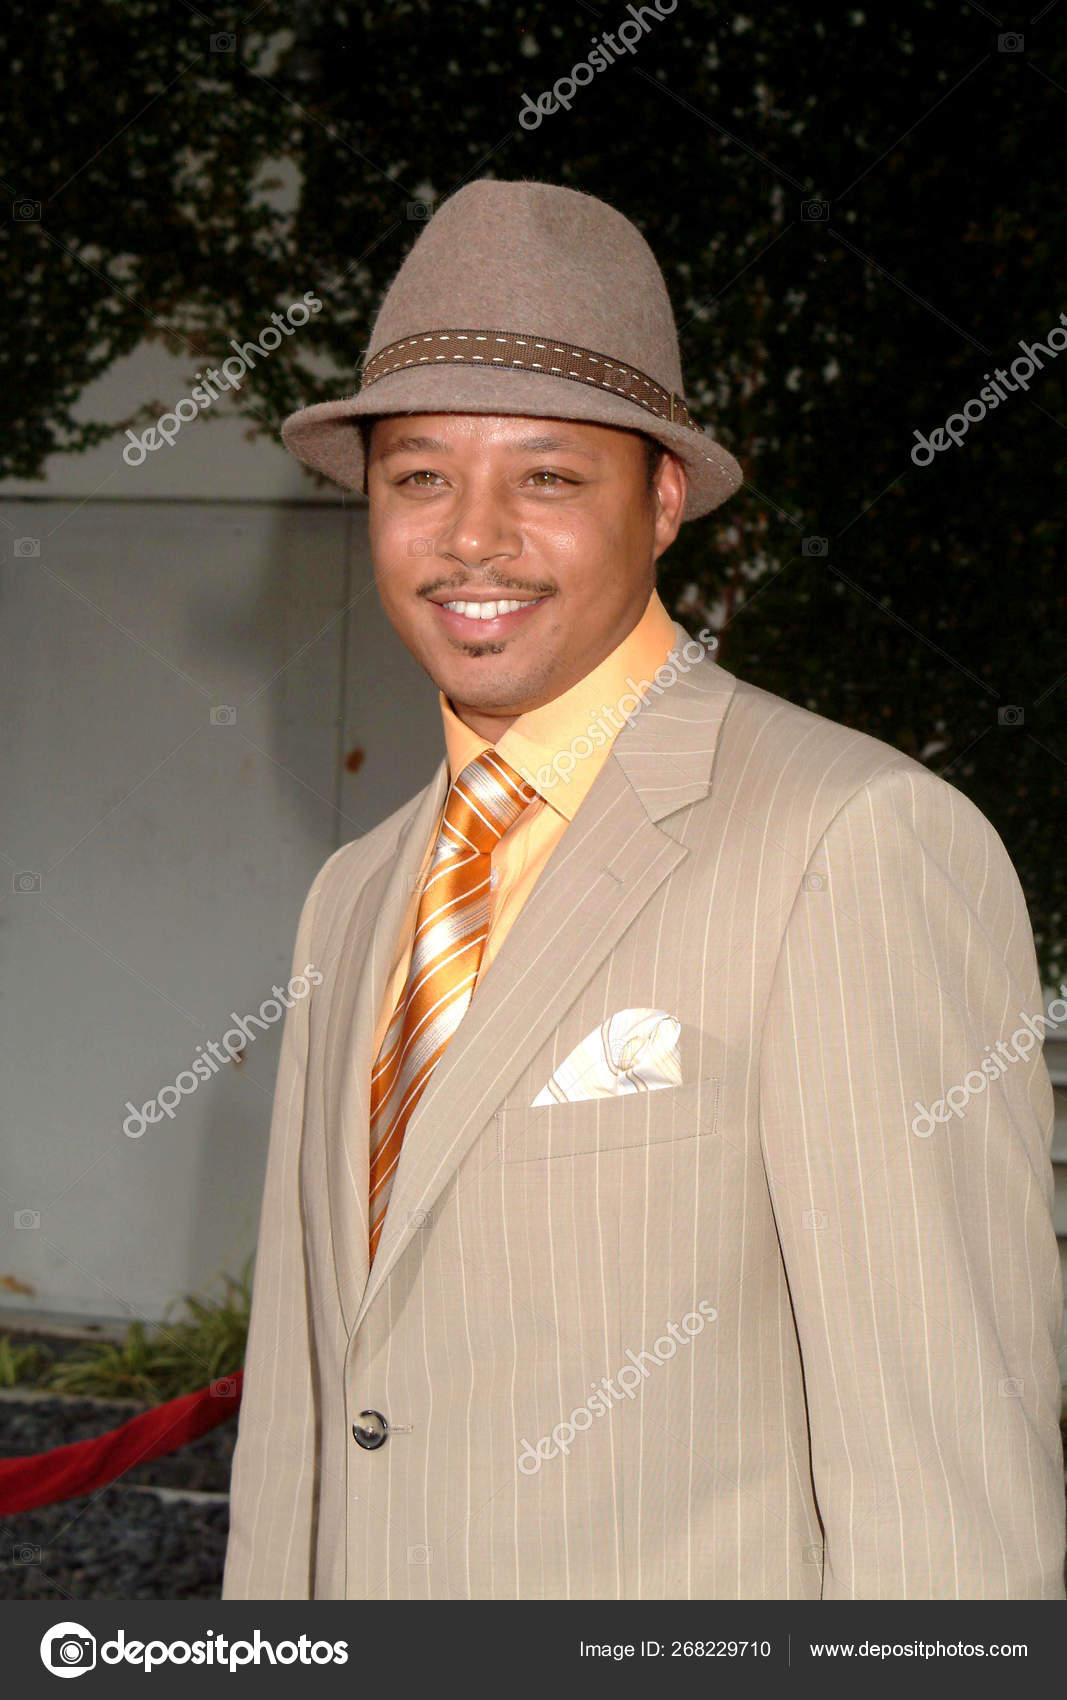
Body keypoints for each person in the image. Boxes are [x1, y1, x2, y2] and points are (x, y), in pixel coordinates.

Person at [221, 178, 1065, 1600]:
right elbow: (308, 1421)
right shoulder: (354, 896)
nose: (471, 538)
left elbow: (944, 1482)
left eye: (546, 477)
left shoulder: (854, 843)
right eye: (421, 475)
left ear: (663, 499)